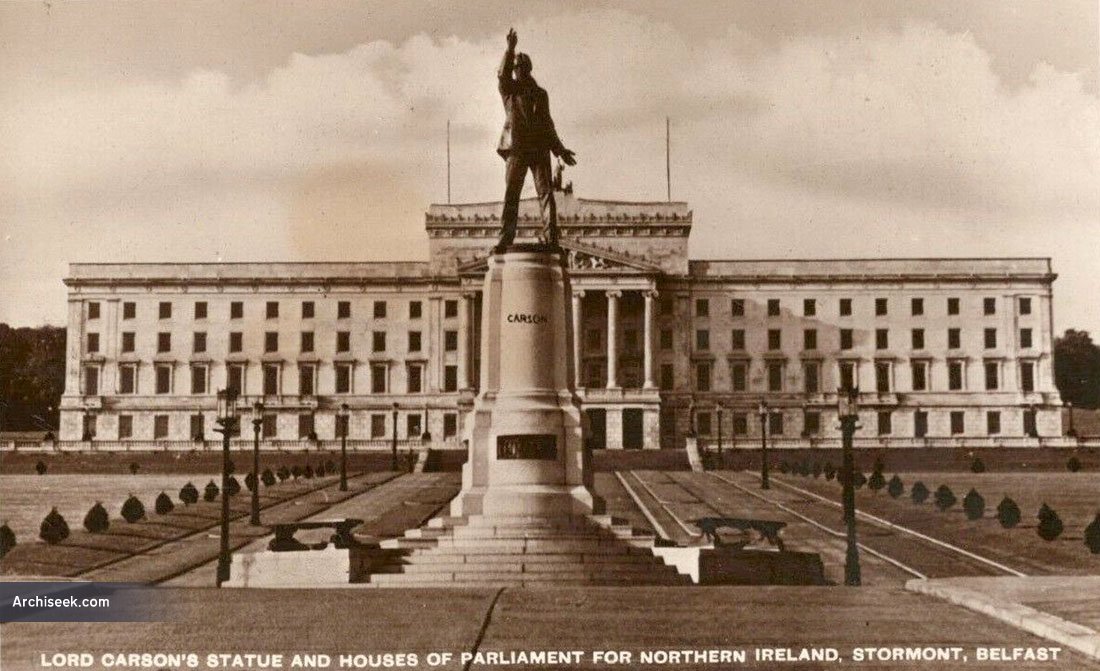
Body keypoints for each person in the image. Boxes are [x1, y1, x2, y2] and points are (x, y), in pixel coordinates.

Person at [494, 28, 576, 252]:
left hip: (539, 149)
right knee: (512, 194)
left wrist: (560, 150)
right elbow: (502, 76)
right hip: (517, 148)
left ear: (528, 70)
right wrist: (510, 50)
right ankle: (505, 238)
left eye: (522, 68)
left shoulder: (541, 94)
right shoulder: (510, 92)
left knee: (547, 194)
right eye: (516, 69)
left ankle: (551, 240)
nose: (519, 72)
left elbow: (548, 124)